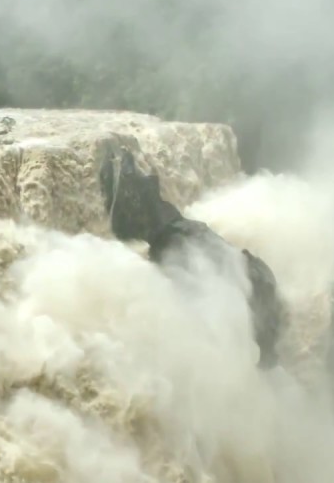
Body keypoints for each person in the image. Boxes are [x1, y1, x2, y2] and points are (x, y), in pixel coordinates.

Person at [100, 146, 286, 368]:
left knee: (167, 231)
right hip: (199, 247)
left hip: (197, 247)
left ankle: (131, 190)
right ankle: (131, 188)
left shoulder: (242, 299)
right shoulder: (251, 295)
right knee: (168, 230)